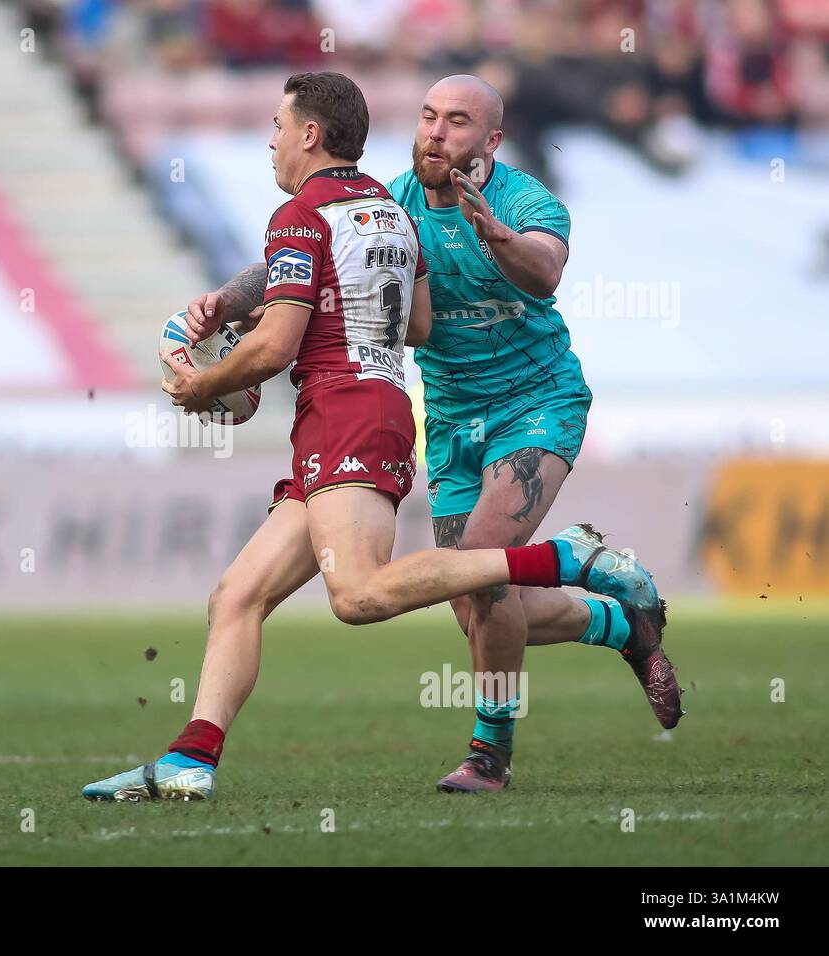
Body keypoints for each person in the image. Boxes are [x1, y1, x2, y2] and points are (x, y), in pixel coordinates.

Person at [82, 73, 660, 802]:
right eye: (426, 116)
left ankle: (560, 559)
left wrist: (202, 384)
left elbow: (277, 347)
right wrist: (241, 306)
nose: (270, 139)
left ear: (310, 135)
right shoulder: (389, 207)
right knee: (237, 595)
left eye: (277, 125)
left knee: (357, 596)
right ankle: (190, 759)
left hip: (376, 408)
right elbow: (416, 326)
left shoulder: (310, 213)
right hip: (395, 406)